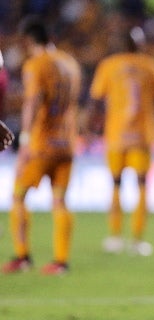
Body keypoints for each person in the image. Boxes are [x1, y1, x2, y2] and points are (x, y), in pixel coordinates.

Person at [2, 16, 81, 275]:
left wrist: (24, 140)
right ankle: (61, 261)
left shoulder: (36, 65)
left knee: (18, 196)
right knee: (59, 201)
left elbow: (33, 102)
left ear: (27, 41)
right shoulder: (70, 63)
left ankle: (23, 256)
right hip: (67, 143)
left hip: (41, 144)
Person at [89, 26, 154, 256]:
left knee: (116, 184)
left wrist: (93, 126)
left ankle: (114, 237)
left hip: (116, 135)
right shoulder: (151, 66)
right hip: (142, 136)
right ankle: (137, 239)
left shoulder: (108, 65)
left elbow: (95, 99)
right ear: (139, 44)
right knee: (142, 185)